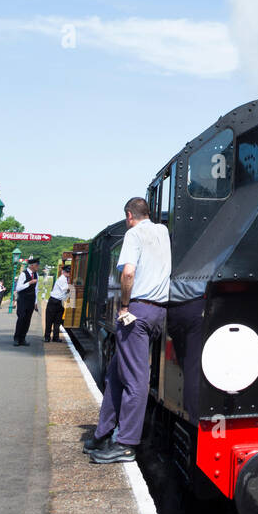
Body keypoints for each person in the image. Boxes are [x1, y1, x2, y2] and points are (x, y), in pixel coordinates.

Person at [86, 197, 171, 465]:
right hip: (158, 312)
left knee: (134, 380)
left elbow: (128, 275)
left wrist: (124, 306)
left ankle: (126, 444)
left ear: (128, 215)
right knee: (115, 374)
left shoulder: (133, 234)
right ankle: (103, 432)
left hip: (137, 311)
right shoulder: (163, 232)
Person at [13, 256, 40, 346]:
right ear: (32, 265)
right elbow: (18, 288)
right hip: (23, 299)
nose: (38, 267)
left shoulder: (37, 275)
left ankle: (23, 338)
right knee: (21, 318)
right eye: (37, 265)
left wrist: (36, 302)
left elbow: (36, 289)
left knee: (28, 319)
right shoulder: (23, 274)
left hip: (31, 300)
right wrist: (29, 283)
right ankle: (17, 338)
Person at [45, 264, 72, 342]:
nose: (69, 274)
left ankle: (55, 337)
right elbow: (65, 289)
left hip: (60, 302)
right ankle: (47, 337)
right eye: (68, 272)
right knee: (49, 320)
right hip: (54, 301)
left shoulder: (66, 279)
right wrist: (72, 286)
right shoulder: (62, 279)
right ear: (63, 272)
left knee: (58, 321)